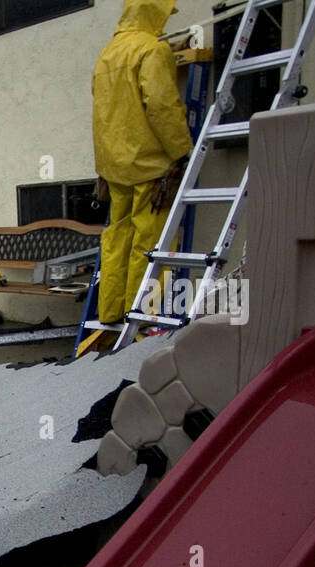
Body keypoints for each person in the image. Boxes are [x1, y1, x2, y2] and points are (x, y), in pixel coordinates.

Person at [92, 0, 193, 325]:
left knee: (117, 239)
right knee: (150, 244)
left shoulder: (108, 53)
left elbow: (104, 111)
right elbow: (162, 105)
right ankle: (141, 317)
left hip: (115, 167)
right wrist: (182, 151)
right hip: (151, 167)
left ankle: (110, 312)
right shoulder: (152, 50)